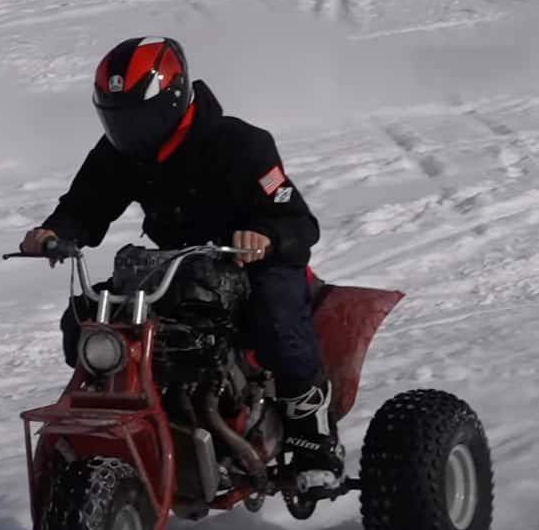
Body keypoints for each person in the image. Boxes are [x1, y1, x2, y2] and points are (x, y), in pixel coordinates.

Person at [18, 36, 342, 496]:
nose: (128, 130)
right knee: (87, 321)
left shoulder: (241, 144)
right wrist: (54, 232)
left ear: (172, 102)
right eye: (118, 118)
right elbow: (85, 206)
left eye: (138, 117)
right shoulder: (119, 153)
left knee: (276, 318)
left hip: (252, 262)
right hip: (179, 267)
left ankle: (314, 437)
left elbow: (299, 223)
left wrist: (265, 236)